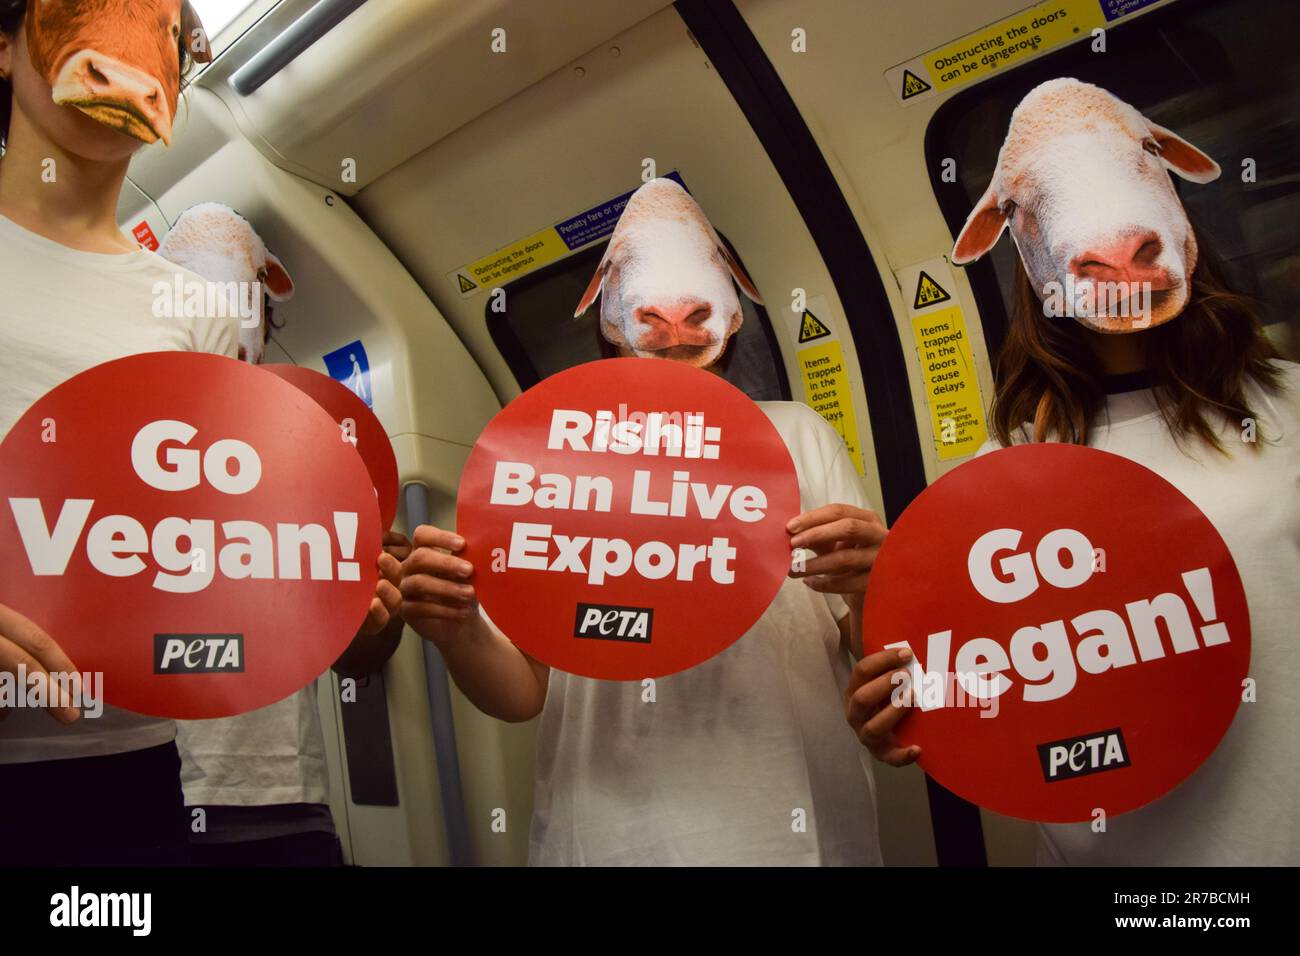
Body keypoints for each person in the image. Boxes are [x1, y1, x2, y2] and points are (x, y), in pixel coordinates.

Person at [848, 78, 1299, 865]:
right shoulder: (998, 482)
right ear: (1020, 246)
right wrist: (910, 710)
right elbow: (996, 676)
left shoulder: (1290, 407)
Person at [0, 0, 402, 866]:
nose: (117, 51)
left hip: (129, 769)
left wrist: (333, 591)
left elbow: (203, 550)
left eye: (156, 31)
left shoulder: (195, 312)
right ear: (4, 44)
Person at [400, 179, 899, 865]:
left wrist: (875, 585)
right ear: (609, 314)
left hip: (792, 831)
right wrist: (455, 629)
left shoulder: (798, 437)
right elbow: (523, 692)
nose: (673, 330)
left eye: (696, 309)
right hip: (607, 834)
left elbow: (870, 654)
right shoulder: (551, 455)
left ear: (732, 313)